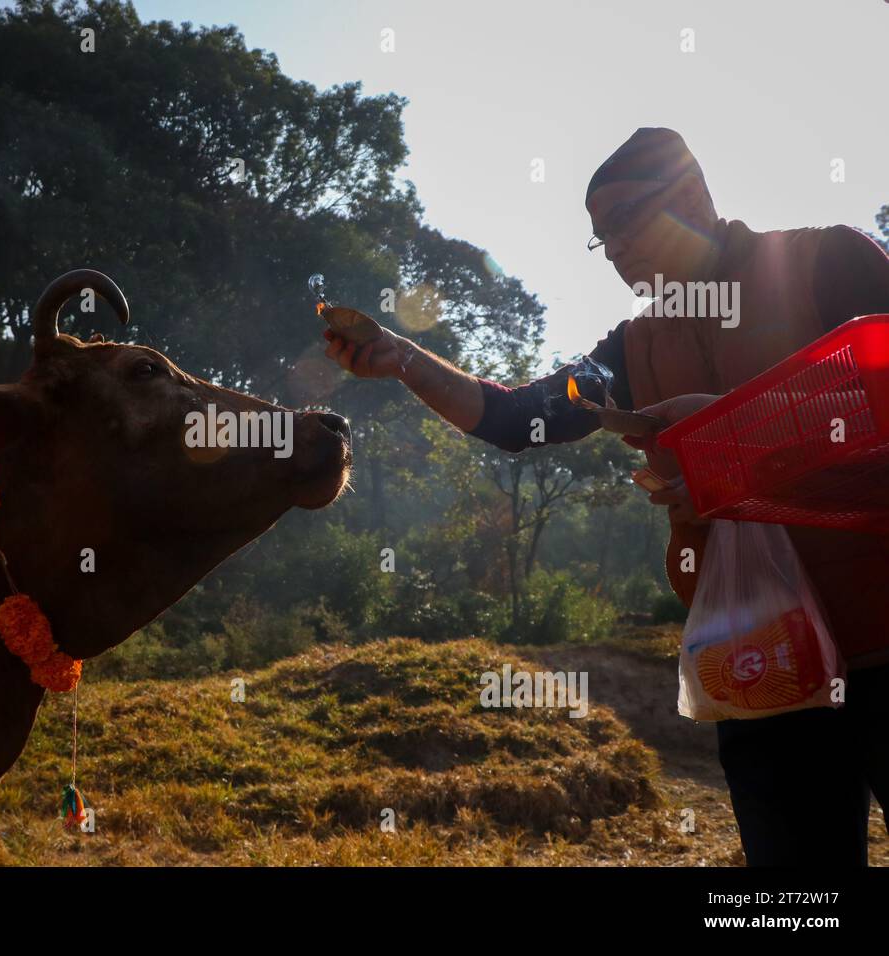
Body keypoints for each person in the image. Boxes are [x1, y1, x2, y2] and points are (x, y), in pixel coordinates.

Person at [324, 127, 889, 866]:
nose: (615, 248)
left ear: (691, 195)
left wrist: (730, 433)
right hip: (761, 664)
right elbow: (513, 418)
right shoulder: (630, 348)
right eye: (600, 237)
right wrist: (403, 358)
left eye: (624, 221)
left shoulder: (827, 262)